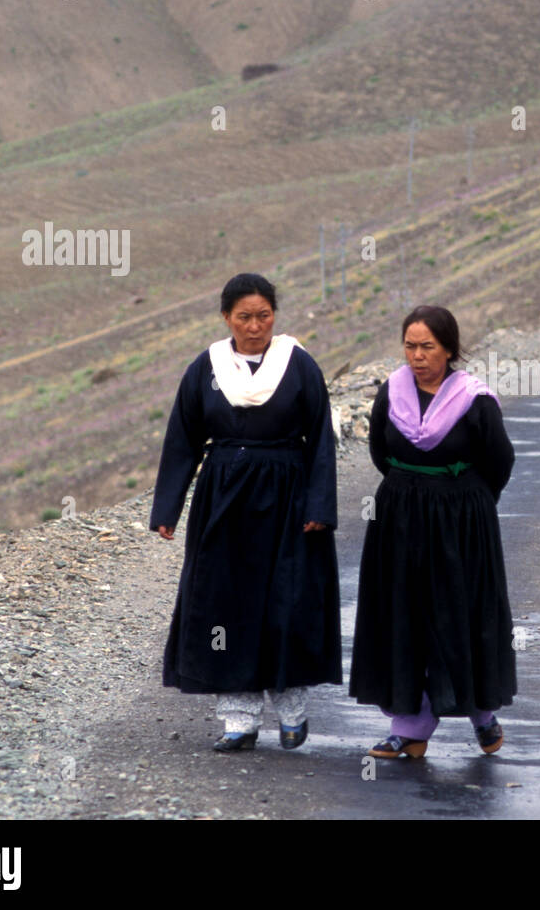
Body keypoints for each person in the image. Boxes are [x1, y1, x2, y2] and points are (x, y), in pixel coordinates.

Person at [150, 273, 341, 752]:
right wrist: (168, 508)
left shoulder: (298, 365)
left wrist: (319, 505)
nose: (255, 326)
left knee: (287, 601)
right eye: (244, 317)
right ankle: (239, 720)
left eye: (263, 316)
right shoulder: (206, 368)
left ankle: (292, 710)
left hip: (288, 496)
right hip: (224, 498)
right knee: (225, 603)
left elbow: (320, 440)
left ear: (274, 315)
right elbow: (183, 439)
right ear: (226, 318)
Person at [349, 305, 517, 758]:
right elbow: (381, 453)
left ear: (449, 349)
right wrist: (411, 489)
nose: (417, 356)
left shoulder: (474, 399)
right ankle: (410, 726)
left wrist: (466, 502)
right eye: (410, 346)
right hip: (399, 516)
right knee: (404, 613)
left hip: (460, 520)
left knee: (459, 614)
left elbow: (499, 461)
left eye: (428, 347)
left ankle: (483, 713)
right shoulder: (393, 391)